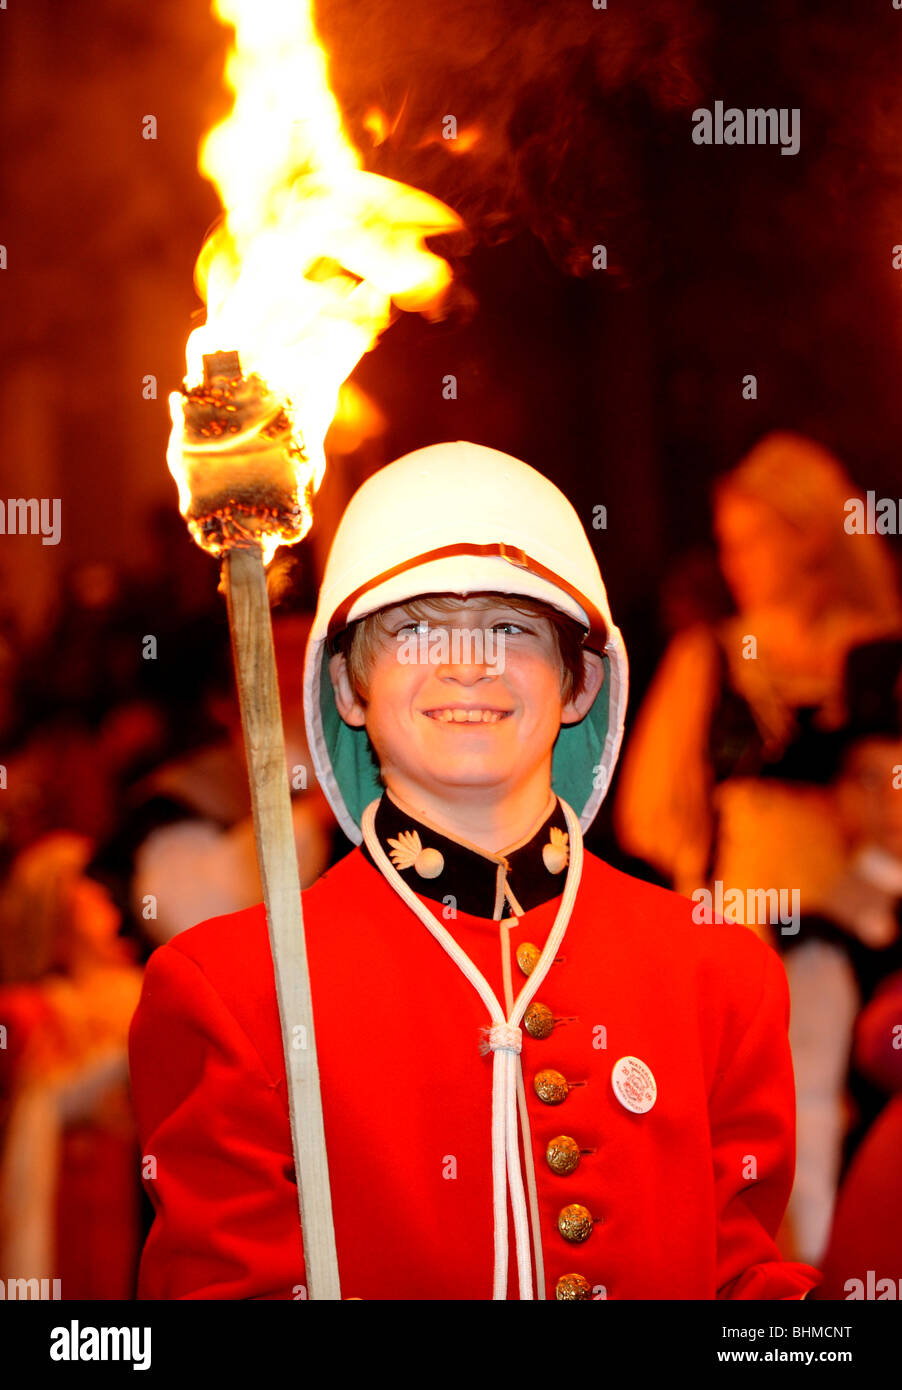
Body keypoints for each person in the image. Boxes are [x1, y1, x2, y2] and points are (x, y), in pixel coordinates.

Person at [128, 442, 820, 1300]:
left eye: (512, 628)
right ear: (348, 686)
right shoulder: (234, 990)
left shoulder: (720, 971)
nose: (469, 662)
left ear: (580, 684)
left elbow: (744, 1290)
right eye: (416, 629)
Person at [614, 433, 901, 916]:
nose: (735, 563)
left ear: (809, 536)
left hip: (867, 911)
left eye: (753, 542)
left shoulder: (880, 656)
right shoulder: (709, 657)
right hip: (744, 912)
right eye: (729, 545)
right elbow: (647, 813)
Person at [776, 639, 902, 1268]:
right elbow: (810, 1109)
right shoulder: (825, 936)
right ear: (838, 795)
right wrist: (820, 1264)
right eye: (868, 779)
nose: (892, 804)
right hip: (874, 1234)